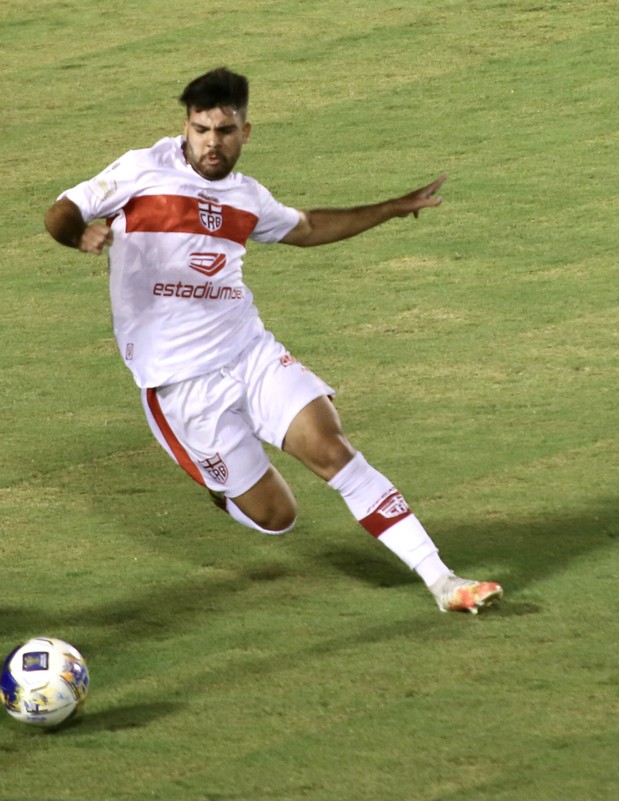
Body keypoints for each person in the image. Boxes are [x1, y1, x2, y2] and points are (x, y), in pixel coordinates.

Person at [44, 67, 501, 614]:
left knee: (334, 451)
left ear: (246, 132)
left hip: (248, 351)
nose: (213, 143)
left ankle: (443, 582)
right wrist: (79, 234)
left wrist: (392, 207)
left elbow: (306, 228)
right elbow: (61, 210)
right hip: (180, 386)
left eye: (226, 131)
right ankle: (223, 488)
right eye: (202, 130)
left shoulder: (247, 197)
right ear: (185, 127)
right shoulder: (141, 171)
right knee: (277, 517)